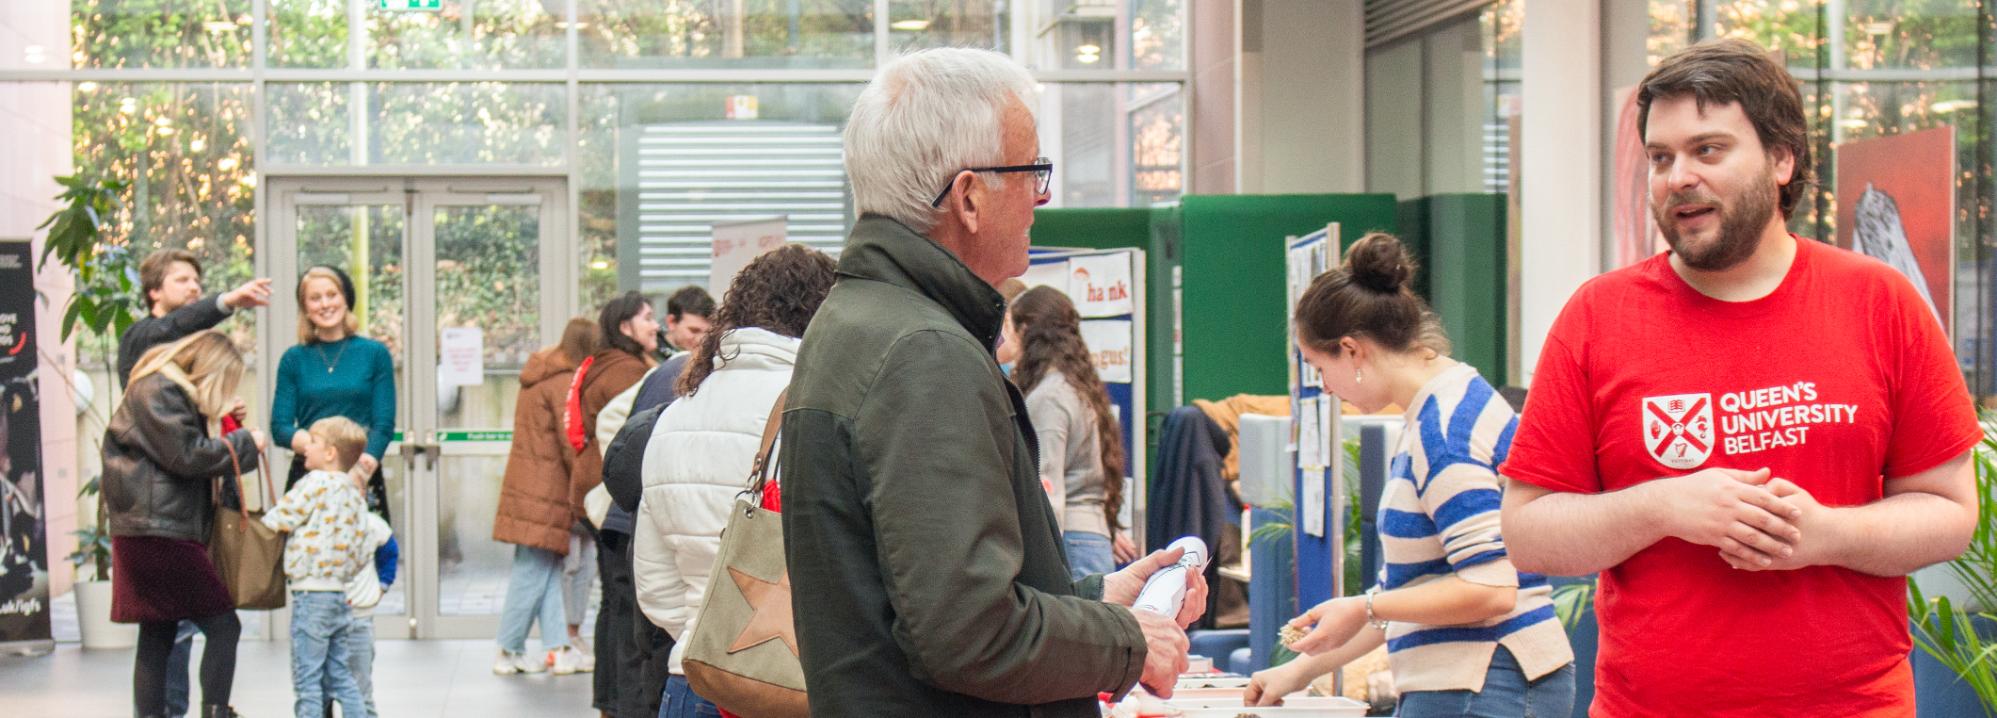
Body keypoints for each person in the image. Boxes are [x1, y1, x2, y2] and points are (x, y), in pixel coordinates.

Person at [1498, 39, 1981, 717]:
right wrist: (1662, 507)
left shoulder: (1879, 302)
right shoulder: (1596, 317)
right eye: (1660, 158)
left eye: (1707, 150)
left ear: (1781, 159)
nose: (1676, 178)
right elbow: (1527, 531)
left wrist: (1824, 535)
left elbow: (1949, 513)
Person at [780, 47, 1204, 716]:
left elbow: (924, 596)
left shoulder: (865, 322)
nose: (1044, 196)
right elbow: (967, 633)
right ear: (969, 196)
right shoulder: (922, 353)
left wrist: (1101, 600)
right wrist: (1126, 640)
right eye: (1032, 171)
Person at [1242, 234, 1575, 714]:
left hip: (1484, 679)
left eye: (1319, 368)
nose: (1325, 387)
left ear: (1353, 351)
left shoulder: (1444, 432)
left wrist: (1364, 607)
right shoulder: (1441, 407)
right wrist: (1299, 671)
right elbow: (1420, 591)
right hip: (1480, 678)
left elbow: (1492, 589)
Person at [633, 245, 838, 718]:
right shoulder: (822, 407)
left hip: (694, 681)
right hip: (794, 685)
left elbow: (654, 584)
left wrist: (708, 630)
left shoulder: (675, 413)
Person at [114, 249, 271, 718]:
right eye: (181, 279)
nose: (193, 288)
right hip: (160, 524)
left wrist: (219, 418)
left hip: (158, 521)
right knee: (220, 625)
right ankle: (212, 710)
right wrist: (229, 301)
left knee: (159, 631)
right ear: (153, 292)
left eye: (198, 281)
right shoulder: (147, 344)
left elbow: (179, 441)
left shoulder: (165, 377)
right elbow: (183, 454)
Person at [998, 286, 1133, 580]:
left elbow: (1047, 490)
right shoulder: (1077, 387)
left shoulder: (1051, 397)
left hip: (1071, 545)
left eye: (1008, 326)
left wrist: (1042, 565)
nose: (1004, 336)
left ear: (1027, 331)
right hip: (1086, 541)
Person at [491, 317, 602, 674]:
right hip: (547, 491)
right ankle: (507, 649)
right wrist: (590, 485)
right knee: (532, 571)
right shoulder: (563, 383)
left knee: (546, 570)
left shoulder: (539, 374)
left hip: (529, 487)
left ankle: (558, 648)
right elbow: (572, 442)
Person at [570, 291, 661, 717]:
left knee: (612, 607)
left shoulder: (601, 363)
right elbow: (619, 429)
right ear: (625, 327)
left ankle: (609, 701)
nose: (656, 325)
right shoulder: (628, 371)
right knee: (626, 614)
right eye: (647, 318)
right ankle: (624, 705)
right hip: (614, 504)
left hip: (596, 501)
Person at [261, 417, 375, 718]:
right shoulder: (354, 491)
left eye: (312, 441)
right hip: (339, 595)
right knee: (340, 675)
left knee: (307, 680)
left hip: (310, 595)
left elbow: (280, 518)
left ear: (330, 453)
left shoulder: (313, 484)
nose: (305, 447)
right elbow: (365, 543)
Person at [270, 266, 396, 519]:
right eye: (315, 298)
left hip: (361, 473)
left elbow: (383, 424)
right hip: (309, 475)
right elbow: (280, 427)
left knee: (366, 555)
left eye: (332, 294)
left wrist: (359, 468)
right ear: (305, 307)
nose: (325, 304)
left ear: (345, 299)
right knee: (303, 556)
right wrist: (323, 454)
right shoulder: (293, 359)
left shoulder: (374, 354)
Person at [658, 286, 715, 360]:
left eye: (708, 332)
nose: (702, 339)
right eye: (694, 331)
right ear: (671, 322)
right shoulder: (648, 356)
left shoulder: (711, 358)